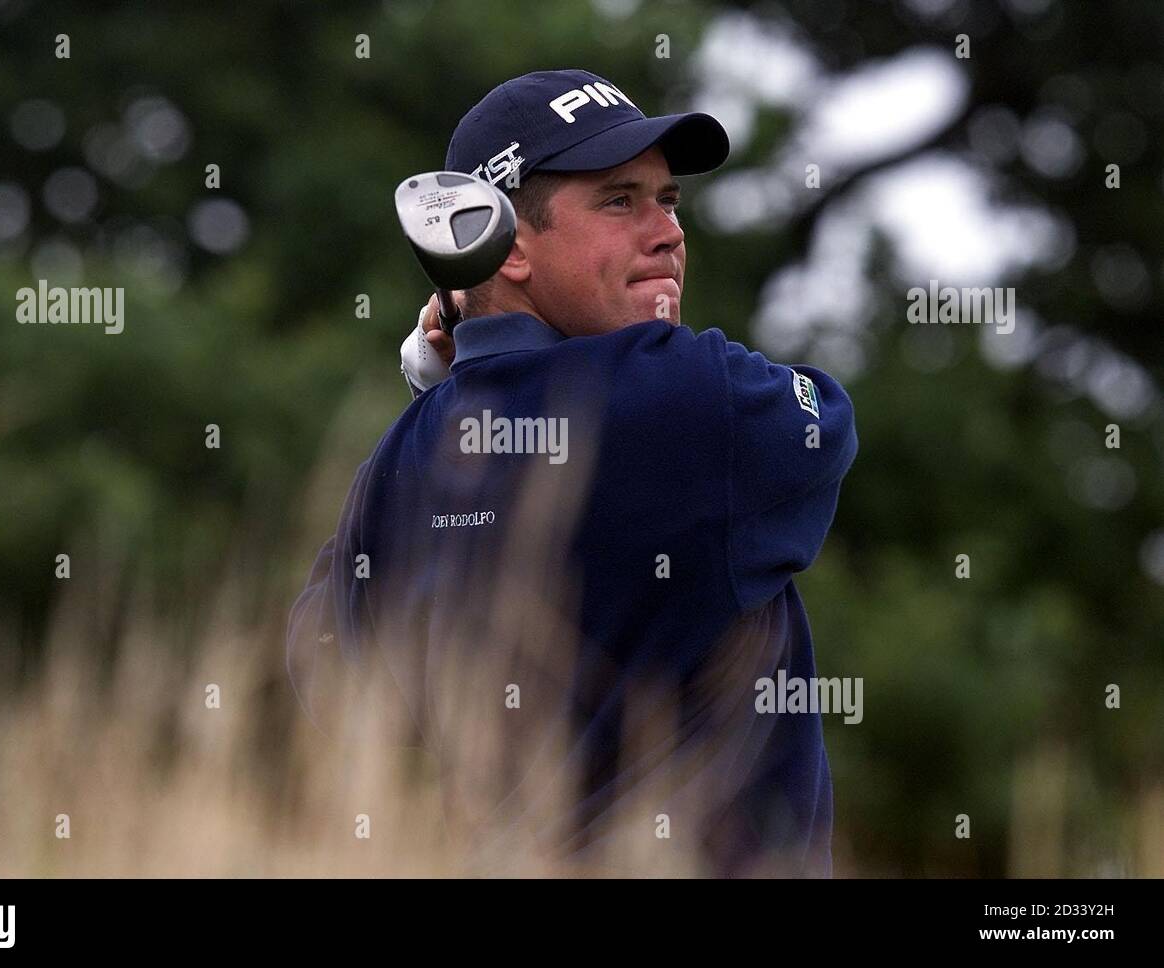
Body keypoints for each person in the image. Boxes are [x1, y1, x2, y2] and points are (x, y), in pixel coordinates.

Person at [287, 69, 857, 876]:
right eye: (620, 200)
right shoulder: (691, 395)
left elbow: (319, 649)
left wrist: (445, 385)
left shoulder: (403, 458)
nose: (666, 232)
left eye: (669, 200)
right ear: (506, 243)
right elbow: (825, 428)